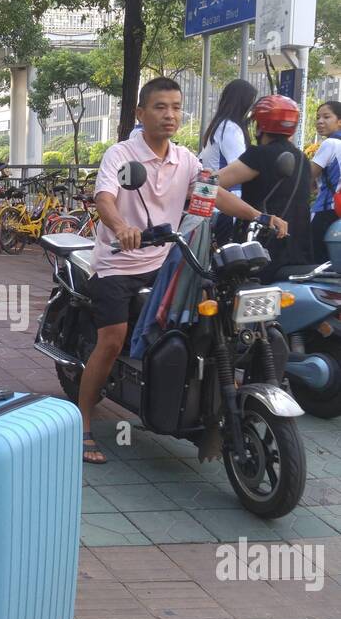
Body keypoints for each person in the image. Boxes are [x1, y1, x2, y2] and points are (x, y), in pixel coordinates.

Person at [80, 77, 288, 464]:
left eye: (176, 107)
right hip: (119, 262)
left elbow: (215, 194)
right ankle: (83, 424)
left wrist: (260, 215)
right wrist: (122, 228)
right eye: (160, 107)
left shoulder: (186, 159)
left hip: (169, 262)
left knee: (209, 319)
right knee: (111, 339)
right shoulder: (120, 154)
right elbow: (104, 198)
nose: (170, 114)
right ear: (141, 113)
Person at [215, 93, 312, 278]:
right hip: (297, 251)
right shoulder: (303, 159)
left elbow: (211, 183)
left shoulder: (259, 155)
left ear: (259, 125)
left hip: (260, 251)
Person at [199, 79, 258, 243]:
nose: (252, 110)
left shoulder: (219, 125)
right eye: (251, 103)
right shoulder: (230, 128)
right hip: (227, 204)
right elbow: (243, 166)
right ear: (242, 102)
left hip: (215, 203)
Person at [309, 100, 341, 261]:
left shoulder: (330, 143)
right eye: (318, 117)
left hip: (326, 210)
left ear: (339, 121)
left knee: (316, 260)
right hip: (338, 212)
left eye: (327, 117)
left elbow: (307, 177)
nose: (320, 121)